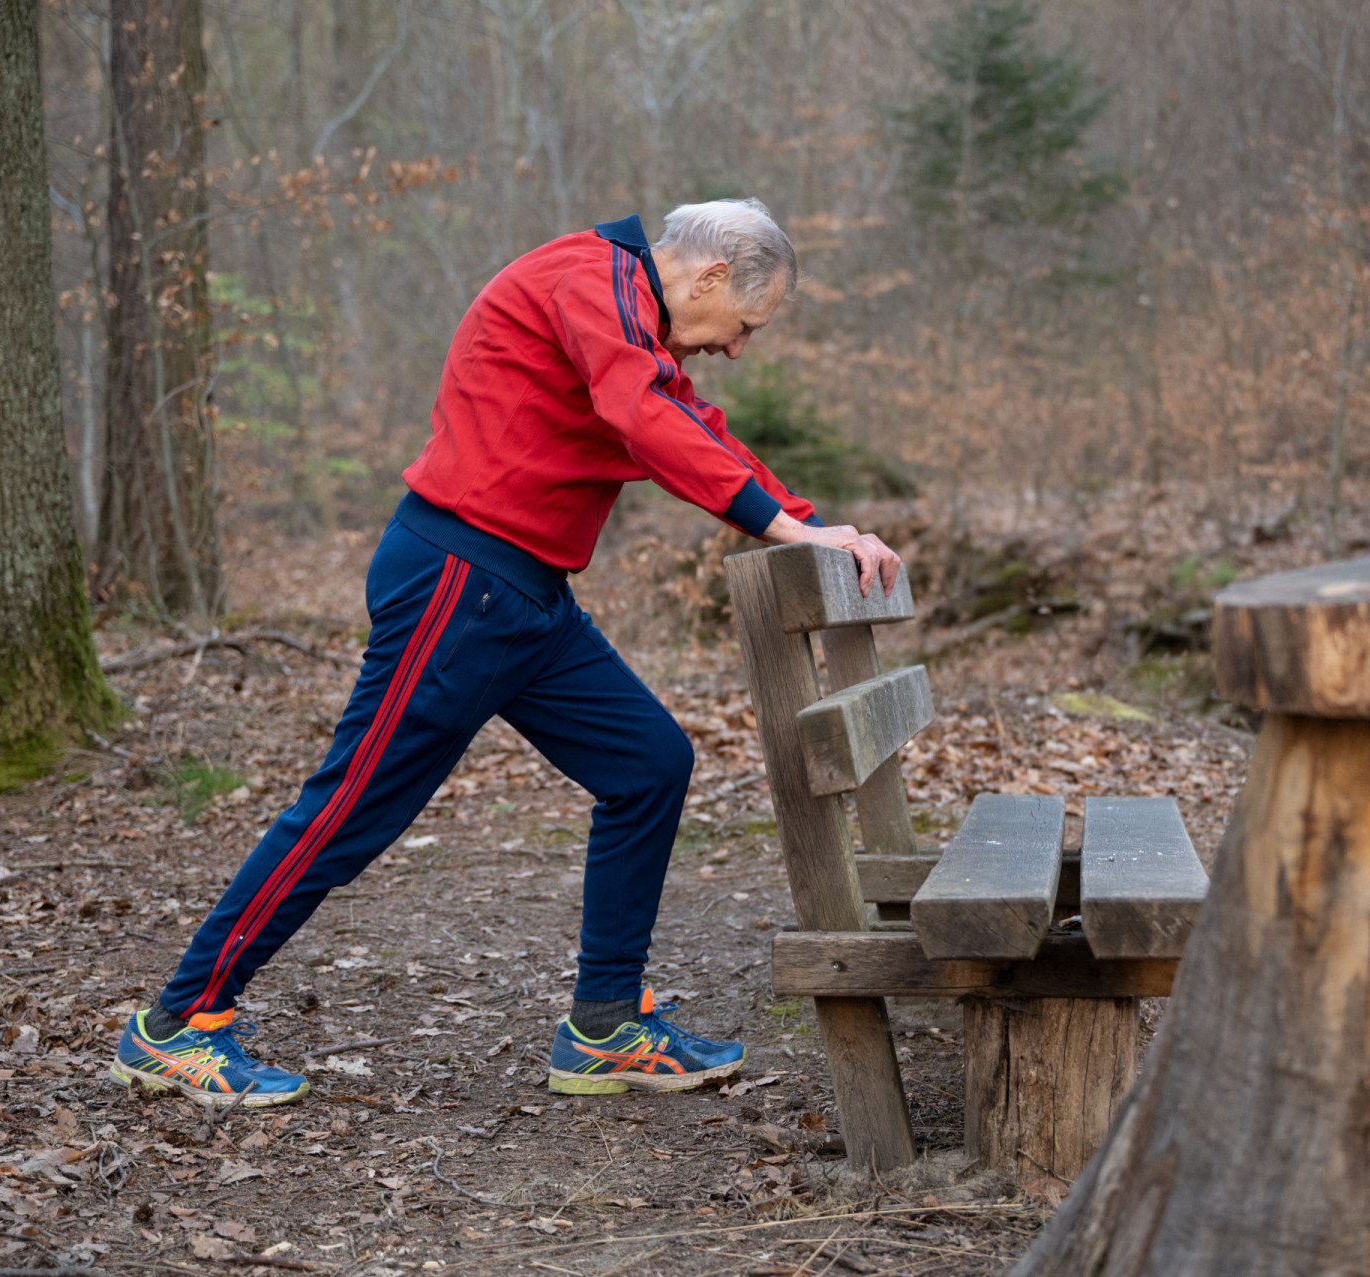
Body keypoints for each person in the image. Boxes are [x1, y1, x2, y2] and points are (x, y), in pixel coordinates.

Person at [110, 199, 901, 1107]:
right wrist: (783, 531)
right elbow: (646, 419)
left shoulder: (637, 318)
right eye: (745, 326)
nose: (737, 347)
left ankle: (602, 1026)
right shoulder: (589, 282)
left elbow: (689, 424)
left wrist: (803, 523)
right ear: (712, 277)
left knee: (649, 763)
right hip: (459, 581)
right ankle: (177, 1024)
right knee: (347, 813)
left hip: (526, 598)